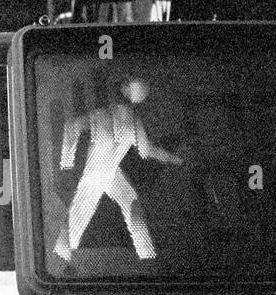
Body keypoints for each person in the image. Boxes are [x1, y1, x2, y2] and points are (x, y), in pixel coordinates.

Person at [55, 75, 182, 262]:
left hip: (112, 173)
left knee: (133, 207)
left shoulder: (134, 122)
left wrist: (173, 159)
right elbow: (72, 127)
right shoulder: (102, 115)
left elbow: (147, 151)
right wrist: (66, 163)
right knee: (75, 223)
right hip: (94, 176)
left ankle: (147, 256)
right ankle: (59, 262)